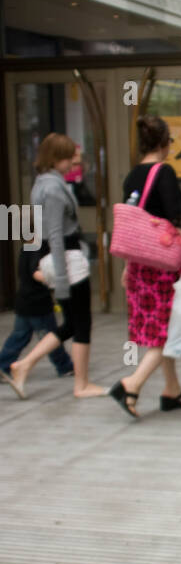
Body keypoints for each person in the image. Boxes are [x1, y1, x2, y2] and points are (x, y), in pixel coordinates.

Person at [109, 115, 181, 419]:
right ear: (164, 143)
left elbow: (134, 226)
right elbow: (177, 216)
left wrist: (128, 266)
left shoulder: (132, 176)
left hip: (142, 266)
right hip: (163, 266)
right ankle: (131, 384)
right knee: (167, 331)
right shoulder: (163, 172)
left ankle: (172, 390)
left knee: (161, 329)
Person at [5, 133, 105, 400]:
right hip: (68, 261)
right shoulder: (52, 189)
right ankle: (81, 384)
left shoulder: (43, 185)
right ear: (56, 158)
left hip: (64, 260)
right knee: (81, 322)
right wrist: (60, 279)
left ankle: (24, 365)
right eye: (68, 156)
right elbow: (56, 236)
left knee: (72, 323)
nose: (73, 161)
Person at [0, 245, 75, 387]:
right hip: (37, 304)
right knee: (51, 337)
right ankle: (65, 366)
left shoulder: (27, 246)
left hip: (24, 300)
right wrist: (58, 279)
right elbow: (36, 273)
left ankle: (3, 364)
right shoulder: (38, 247)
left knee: (19, 336)